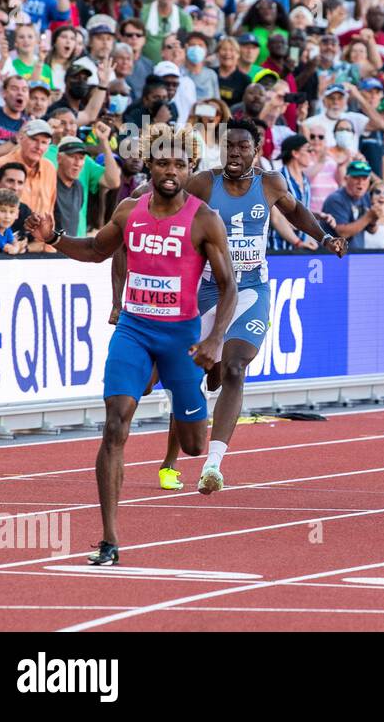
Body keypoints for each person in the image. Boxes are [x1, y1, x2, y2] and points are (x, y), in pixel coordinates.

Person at [24, 124, 236, 565]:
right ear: (150, 165)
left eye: (179, 164)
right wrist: (55, 238)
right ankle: (109, 539)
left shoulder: (204, 219)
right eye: (163, 163)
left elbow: (227, 285)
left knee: (195, 446)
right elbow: (97, 250)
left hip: (181, 336)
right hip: (135, 331)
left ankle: (194, 391)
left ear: (190, 167)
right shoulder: (128, 211)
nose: (171, 171)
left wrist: (215, 339)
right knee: (116, 423)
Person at [121, 119, 347, 493]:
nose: (235, 154)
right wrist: (136, 204)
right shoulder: (204, 183)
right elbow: (163, 193)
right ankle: (169, 462)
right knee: (185, 377)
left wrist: (324, 236)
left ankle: (213, 465)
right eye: (229, 147)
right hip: (206, 290)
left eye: (243, 147)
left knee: (236, 369)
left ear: (256, 151)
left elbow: (294, 210)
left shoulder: (271, 183)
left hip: (251, 292)